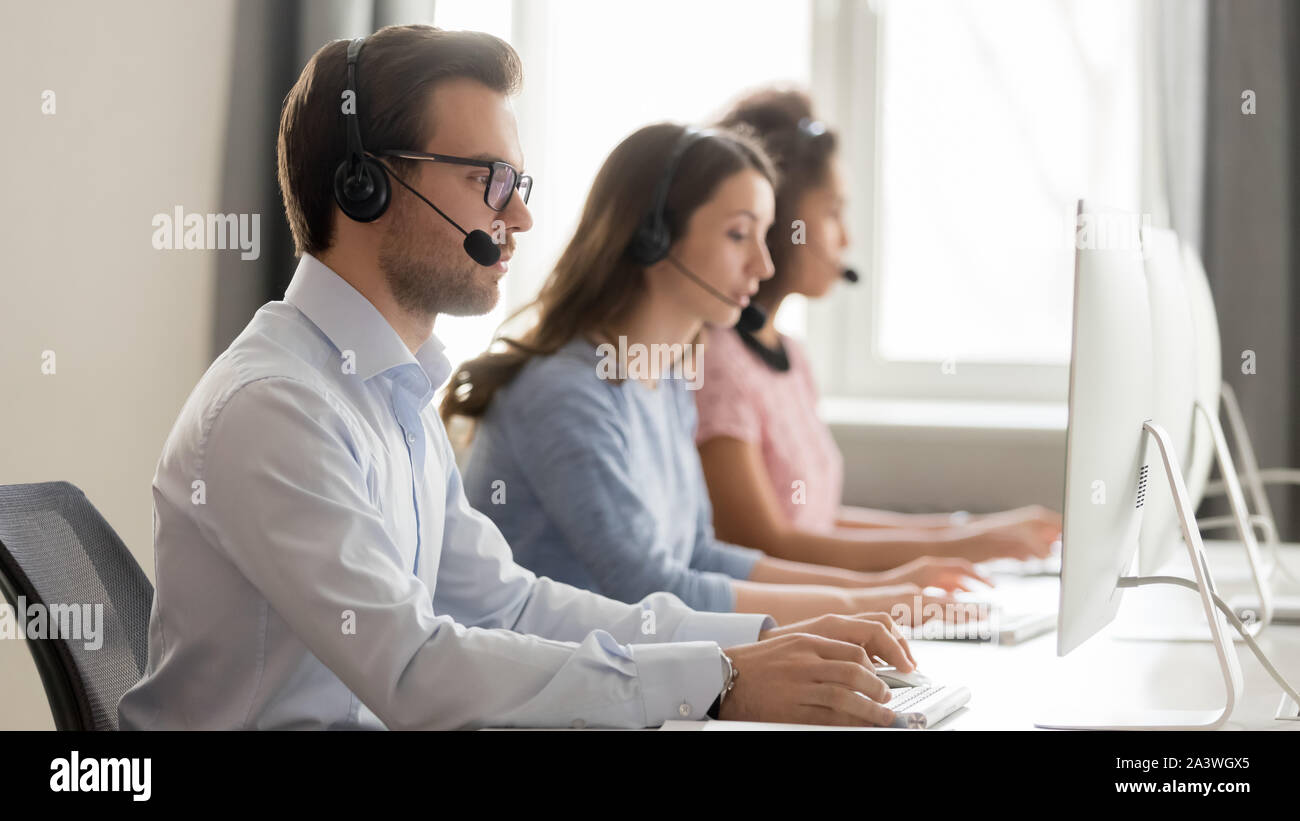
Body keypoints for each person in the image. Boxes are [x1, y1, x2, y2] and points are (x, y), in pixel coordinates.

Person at [115, 27, 927, 731]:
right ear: (366, 185)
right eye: (487, 180)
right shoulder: (276, 406)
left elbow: (510, 604)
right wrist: (718, 680)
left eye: (519, 183)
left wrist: (757, 647)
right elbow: (413, 669)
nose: (522, 217)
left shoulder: (386, 392)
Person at [447, 122, 988, 628]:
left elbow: (700, 554)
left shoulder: (670, 379)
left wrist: (883, 590)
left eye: (766, 235)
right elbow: (647, 585)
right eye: (738, 235)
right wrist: (866, 603)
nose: (764, 265)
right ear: (653, 237)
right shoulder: (566, 392)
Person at [691, 88, 1061, 574]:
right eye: (832, 212)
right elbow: (768, 545)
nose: (846, 239)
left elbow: (817, 525)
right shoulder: (717, 363)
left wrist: (975, 533)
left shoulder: (791, 357)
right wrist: (969, 545)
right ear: (776, 220)